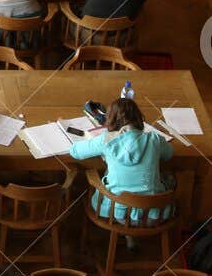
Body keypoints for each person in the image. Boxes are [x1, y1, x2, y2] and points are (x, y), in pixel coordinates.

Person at [69, 96, 177, 227]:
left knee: (105, 175)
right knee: (168, 178)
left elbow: (75, 152)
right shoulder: (154, 139)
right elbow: (169, 154)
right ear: (138, 118)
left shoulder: (106, 140)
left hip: (118, 213)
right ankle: (130, 237)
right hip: (154, 214)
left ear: (111, 120)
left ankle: (127, 235)